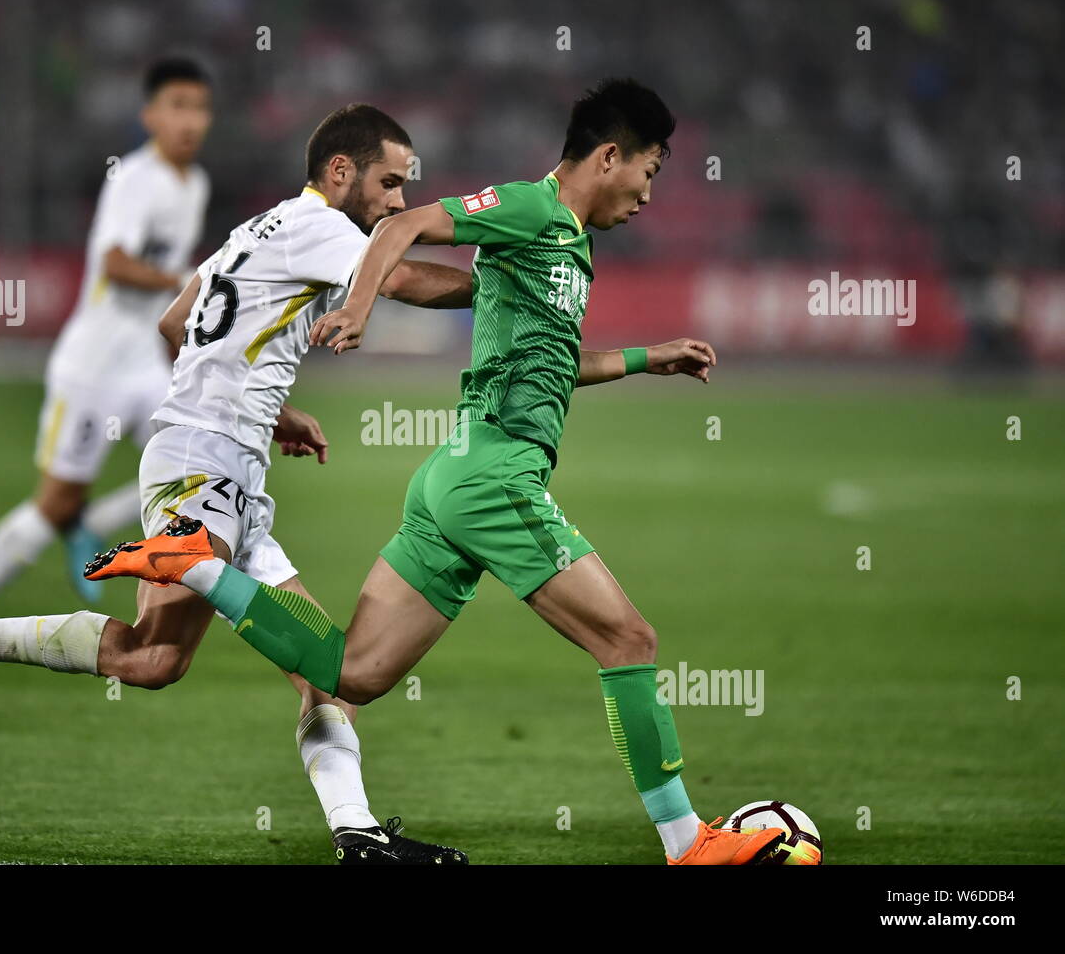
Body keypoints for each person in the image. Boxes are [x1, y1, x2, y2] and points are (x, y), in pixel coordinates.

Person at [82, 78, 785, 866]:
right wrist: (361, 303)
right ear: (611, 156)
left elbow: (547, 363)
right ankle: (689, 845)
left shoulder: (567, 247)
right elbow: (408, 227)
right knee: (629, 639)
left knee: (352, 673)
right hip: (494, 480)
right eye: (650, 171)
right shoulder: (533, 208)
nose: (649, 194)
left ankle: (200, 569)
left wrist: (644, 359)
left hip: (452, 483)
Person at [0, 103, 474, 865]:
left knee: (268, 666)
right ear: (340, 173)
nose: (398, 203)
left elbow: (176, 323)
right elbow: (400, 276)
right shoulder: (329, 229)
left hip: (222, 463)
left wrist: (266, 407)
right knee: (186, 658)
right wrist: (505, 289)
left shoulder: (256, 229)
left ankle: (359, 837)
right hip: (201, 466)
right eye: (390, 182)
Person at [0, 58, 214, 616]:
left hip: (143, 364)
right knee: (54, 502)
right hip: (91, 368)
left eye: (201, 108)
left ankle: (90, 526)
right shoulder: (135, 179)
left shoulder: (196, 184)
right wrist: (183, 279)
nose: (191, 120)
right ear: (150, 116)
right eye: (178, 106)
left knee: (204, 467)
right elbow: (114, 264)